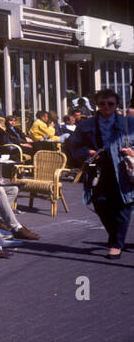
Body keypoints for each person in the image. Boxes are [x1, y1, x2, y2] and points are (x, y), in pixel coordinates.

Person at [66, 89, 134, 257]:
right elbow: (73, 147)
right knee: (100, 203)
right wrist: (87, 152)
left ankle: (116, 245)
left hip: (122, 169)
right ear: (97, 104)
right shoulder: (85, 125)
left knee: (123, 205)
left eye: (110, 103)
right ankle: (115, 237)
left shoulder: (129, 123)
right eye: (102, 103)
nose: (106, 107)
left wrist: (132, 151)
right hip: (97, 168)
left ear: (116, 104)